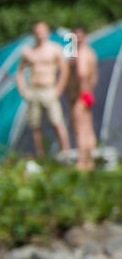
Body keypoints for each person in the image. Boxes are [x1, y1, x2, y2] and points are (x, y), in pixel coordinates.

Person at [16, 21, 71, 159]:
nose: (40, 34)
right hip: (33, 90)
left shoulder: (54, 49)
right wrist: (22, 89)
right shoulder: (28, 51)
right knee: (35, 125)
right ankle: (41, 156)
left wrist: (59, 88)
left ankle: (66, 153)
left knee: (57, 122)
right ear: (34, 33)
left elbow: (65, 69)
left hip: (49, 89)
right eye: (37, 31)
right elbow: (20, 71)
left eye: (42, 31)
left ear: (47, 32)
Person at [65, 25, 99, 171]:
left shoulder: (82, 53)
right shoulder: (90, 52)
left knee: (79, 128)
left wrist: (78, 91)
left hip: (80, 95)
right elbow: (94, 76)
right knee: (87, 126)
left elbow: (82, 73)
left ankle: (82, 160)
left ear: (84, 36)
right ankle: (89, 160)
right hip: (87, 94)